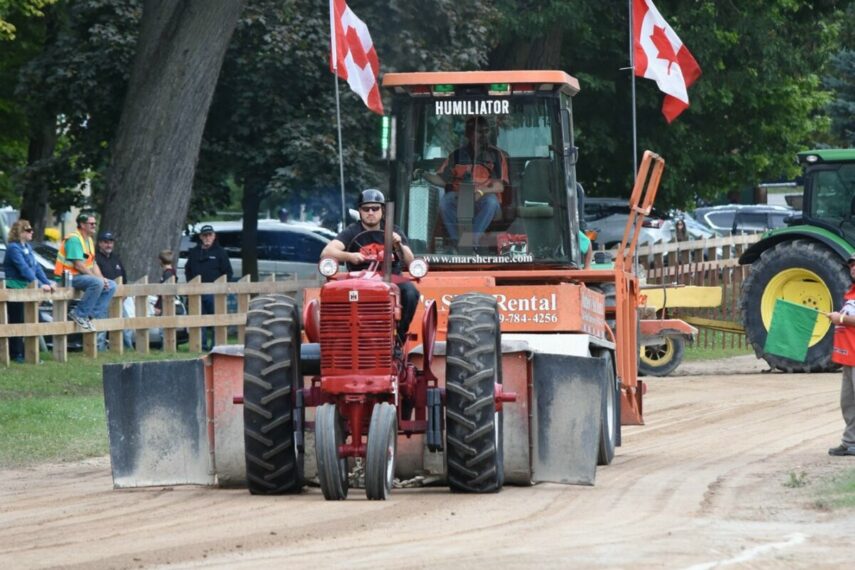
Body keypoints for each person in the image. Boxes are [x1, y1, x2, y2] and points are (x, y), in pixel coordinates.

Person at [320, 189, 419, 345]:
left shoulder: (393, 230)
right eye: (366, 209)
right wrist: (350, 256)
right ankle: (341, 339)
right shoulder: (352, 231)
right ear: (360, 211)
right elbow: (327, 251)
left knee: (411, 292)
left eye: (375, 208)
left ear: (382, 210)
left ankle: (399, 335)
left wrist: (398, 243)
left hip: (391, 277)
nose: (371, 212)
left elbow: (410, 260)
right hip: (359, 279)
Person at [417, 115, 507, 248]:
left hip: (484, 199)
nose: (484, 135)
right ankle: (457, 242)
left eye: (486, 131)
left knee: (491, 202)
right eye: (479, 131)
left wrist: (481, 192)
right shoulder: (456, 155)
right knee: (446, 202)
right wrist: (422, 173)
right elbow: (442, 180)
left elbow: (500, 186)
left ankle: (469, 242)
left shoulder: (495, 155)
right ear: (469, 134)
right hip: (460, 197)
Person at [3, 219, 56, 362]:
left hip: (27, 289)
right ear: (20, 232)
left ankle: (29, 353)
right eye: (28, 230)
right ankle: (16, 354)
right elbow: (24, 269)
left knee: (33, 320)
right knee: (17, 321)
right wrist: (38, 284)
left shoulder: (27, 247)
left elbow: (36, 267)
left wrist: (46, 282)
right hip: (15, 288)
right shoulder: (13, 248)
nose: (31, 232)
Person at [54, 214, 116, 332]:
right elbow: (78, 265)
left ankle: (89, 316)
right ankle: (79, 314)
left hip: (81, 277)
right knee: (97, 282)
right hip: (67, 278)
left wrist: (104, 280)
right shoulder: (74, 239)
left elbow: (93, 264)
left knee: (112, 285)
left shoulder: (89, 240)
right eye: (91, 224)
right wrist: (98, 280)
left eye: (95, 223)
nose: (94, 226)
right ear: (82, 225)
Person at [184, 224, 233, 350]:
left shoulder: (221, 253)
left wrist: (221, 288)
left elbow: (228, 272)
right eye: (205, 235)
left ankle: (216, 346)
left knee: (217, 320)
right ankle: (201, 345)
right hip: (197, 292)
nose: (207, 238)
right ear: (200, 237)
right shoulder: (194, 253)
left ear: (214, 236)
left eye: (209, 235)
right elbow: (188, 270)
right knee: (199, 320)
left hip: (214, 293)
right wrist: (191, 286)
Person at [827, 252, 855, 457]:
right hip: (849, 358)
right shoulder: (851, 293)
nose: (853, 268)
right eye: (852, 265)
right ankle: (850, 441)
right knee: (848, 402)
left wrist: (841, 319)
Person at [94, 230, 134, 349]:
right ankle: (99, 351)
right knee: (101, 328)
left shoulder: (116, 259)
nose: (109, 245)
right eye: (106, 242)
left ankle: (128, 349)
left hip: (119, 299)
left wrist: (124, 295)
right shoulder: (95, 259)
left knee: (125, 327)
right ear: (100, 243)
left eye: (111, 242)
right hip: (102, 299)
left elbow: (124, 279)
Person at [154, 249, 176, 316]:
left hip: (165, 305)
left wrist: (158, 306)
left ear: (161, 260)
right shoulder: (172, 272)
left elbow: (164, 292)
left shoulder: (168, 274)